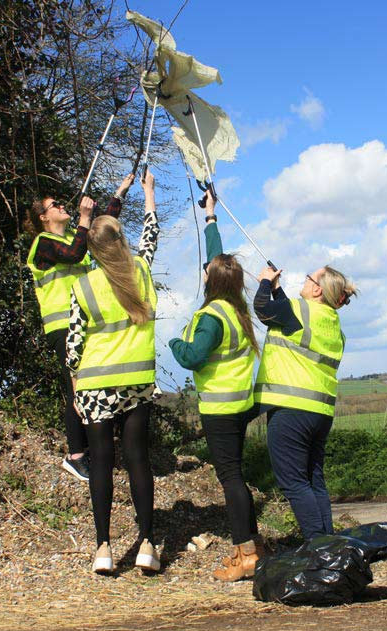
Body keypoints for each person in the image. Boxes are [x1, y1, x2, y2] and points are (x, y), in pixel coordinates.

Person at [167, 194, 267, 582]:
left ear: (210, 278)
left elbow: (192, 357)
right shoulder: (236, 307)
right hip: (241, 405)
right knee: (237, 475)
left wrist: (175, 342)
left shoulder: (211, 317)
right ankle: (253, 545)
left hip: (221, 411)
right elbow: (219, 258)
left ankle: (246, 555)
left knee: (232, 480)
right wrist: (209, 216)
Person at [66, 170, 161, 574]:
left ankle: (103, 548)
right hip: (137, 381)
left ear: (91, 248)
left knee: (102, 464)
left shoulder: (83, 285)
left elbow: (73, 345)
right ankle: (147, 544)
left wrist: (74, 381)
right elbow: (151, 235)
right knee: (138, 460)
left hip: (95, 384)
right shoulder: (140, 269)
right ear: (121, 241)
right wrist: (149, 194)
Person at [23, 174, 134, 483]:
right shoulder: (43, 244)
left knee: (88, 384)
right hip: (62, 324)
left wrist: (119, 194)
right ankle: (75, 455)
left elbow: (102, 231)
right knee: (77, 387)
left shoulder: (75, 236)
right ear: (44, 217)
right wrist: (85, 218)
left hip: (83, 320)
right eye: (54, 205)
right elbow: (74, 253)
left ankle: (90, 449)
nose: (61, 205)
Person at [252, 264, 358, 541]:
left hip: (291, 409)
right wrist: (278, 290)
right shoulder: (331, 323)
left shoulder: (299, 311)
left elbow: (262, 308)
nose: (304, 279)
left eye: (308, 277)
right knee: (313, 481)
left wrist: (265, 284)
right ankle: (329, 544)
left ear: (317, 288)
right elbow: (290, 320)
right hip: (319, 412)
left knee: (294, 483)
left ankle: (318, 547)